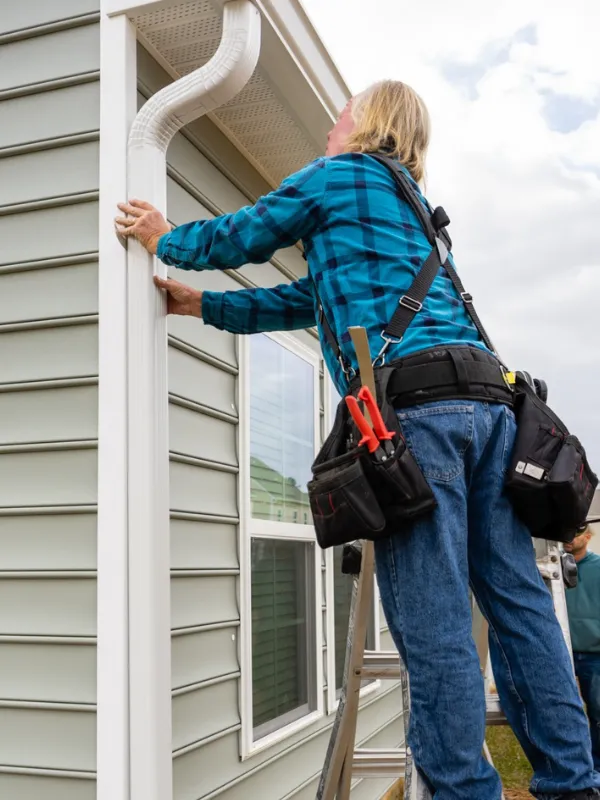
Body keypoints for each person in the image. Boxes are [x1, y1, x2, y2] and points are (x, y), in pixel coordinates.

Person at [115, 80, 600, 800]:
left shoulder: (338, 174)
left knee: (436, 630)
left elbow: (241, 234)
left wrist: (165, 240)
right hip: (490, 408)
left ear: (364, 122)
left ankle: (465, 791)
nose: (331, 123)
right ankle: (574, 783)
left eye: (341, 113)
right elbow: (303, 301)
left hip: (419, 416)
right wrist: (205, 307)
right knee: (520, 606)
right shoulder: (416, 217)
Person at [565, 525, 600, 772]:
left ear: (588, 537)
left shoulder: (598, 568)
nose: (568, 536)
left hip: (594, 656)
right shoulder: (552, 567)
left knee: (598, 714)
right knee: (563, 715)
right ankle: (573, 769)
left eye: (575, 532)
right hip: (560, 653)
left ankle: (596, 769)